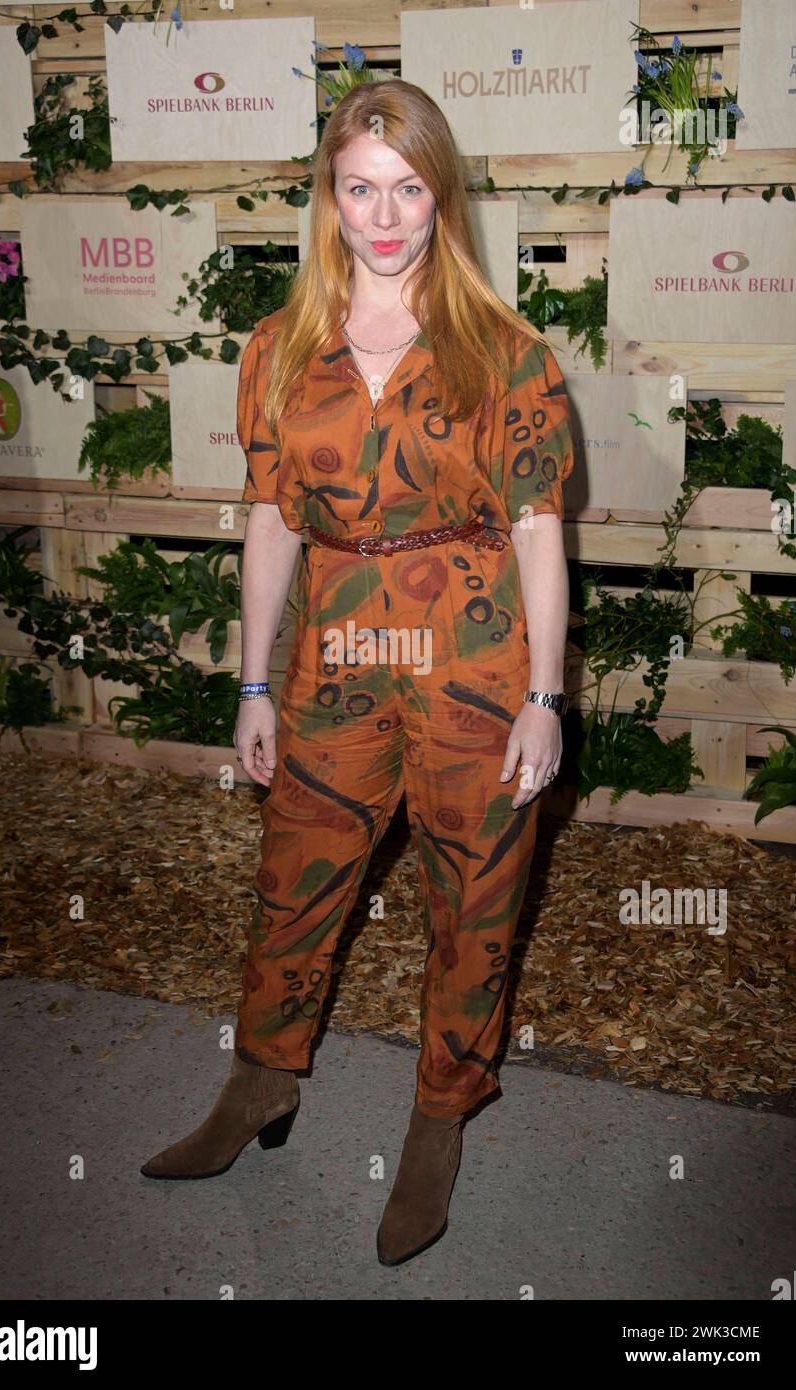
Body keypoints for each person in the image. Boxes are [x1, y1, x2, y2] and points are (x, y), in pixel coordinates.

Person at [141, 78, 574, 1268]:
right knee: (294, 878)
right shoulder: (280, 349)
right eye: (359, 189)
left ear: (442, 196)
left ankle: (439, 1120)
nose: (384, 218)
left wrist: (544, 698)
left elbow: (541, 530)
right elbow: (272, 521)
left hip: (475, 660)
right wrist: (252, 682)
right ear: (329, 198)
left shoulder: (507, 352)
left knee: (473, 900)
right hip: (335, 656)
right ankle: (260, 1081)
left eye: (408, 190)